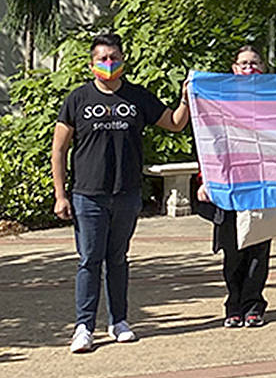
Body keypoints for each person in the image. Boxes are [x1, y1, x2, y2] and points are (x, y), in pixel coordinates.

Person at [51, 32, 189, 353]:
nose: (108, 63)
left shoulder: (138, 96)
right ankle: (84, 327)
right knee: (89, 260)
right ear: (91, 64)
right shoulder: (78, 99)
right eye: (102, 59)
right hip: (87, 194)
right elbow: (59, 149)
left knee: (118, 259)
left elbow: (174, 123)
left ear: (123, 61)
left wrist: (185, 98)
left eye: (114, 57)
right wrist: (60, 194)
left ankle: (119, 321)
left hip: (126, 193)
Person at [190, 43, 273, 329]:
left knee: (258, 250)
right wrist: (206, 180)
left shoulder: (272, 102)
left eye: (254, 63)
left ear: (262, 68)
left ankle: (254, 304)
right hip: (227, 186)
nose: (249, 68)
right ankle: (234, 303)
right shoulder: (218, 102)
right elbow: (206, 141)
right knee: (232, 250)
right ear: (234, 69)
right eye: (243, 64)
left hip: (261, 185)